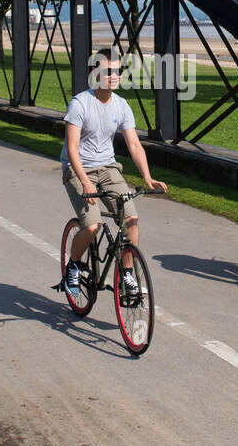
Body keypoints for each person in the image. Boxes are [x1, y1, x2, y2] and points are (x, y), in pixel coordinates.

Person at [61, 48, 166, 297]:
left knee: (131, 220)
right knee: (93, 226)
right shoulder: (79, 104)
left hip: (108, 169)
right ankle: (73, 266)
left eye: (118, 71)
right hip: (78, 170)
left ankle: (126, 276)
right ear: (95, 74)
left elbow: (134, 145)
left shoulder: (121, 105)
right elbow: (72, 150)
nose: (115, 75)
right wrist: (85, 183)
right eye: (109, 71)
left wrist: (147, 177)